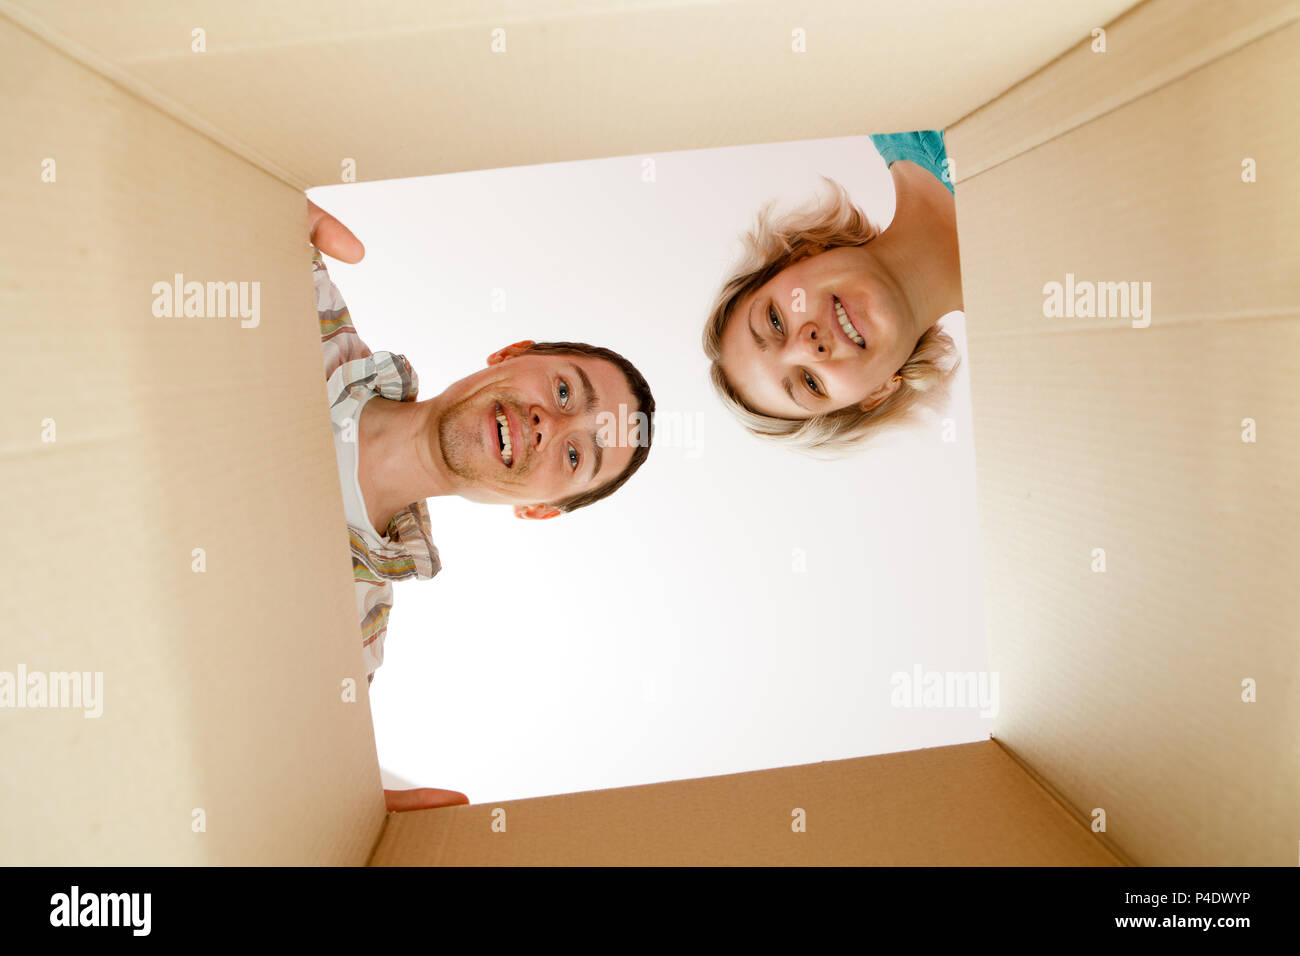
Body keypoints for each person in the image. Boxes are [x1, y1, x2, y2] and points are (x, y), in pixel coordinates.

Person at [307, 200, 656, 811]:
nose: (551, 424)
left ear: (541, 510)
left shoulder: (350, 641)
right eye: (565, 389)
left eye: (576, 457)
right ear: (512, 352)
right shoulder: (297, 293)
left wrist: (335, 801)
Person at [701, 130, 963, 453]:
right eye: (810, 383)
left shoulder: (894, 107)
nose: (808, 348)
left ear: (802, 255)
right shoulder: (1037, 336)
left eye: (776, 321)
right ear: (877, 392)